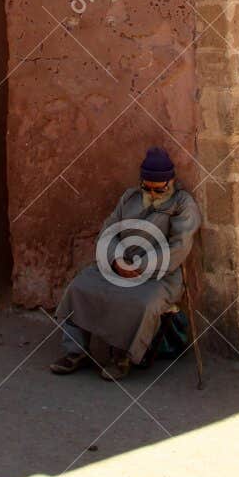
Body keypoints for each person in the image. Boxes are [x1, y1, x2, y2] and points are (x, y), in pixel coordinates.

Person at [51, 146, 201, 381]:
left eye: (158, 187)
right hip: (120, 266)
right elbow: (108, 232)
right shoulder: (129, 198)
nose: (152, 192)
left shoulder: (183, 204)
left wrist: (141, 266)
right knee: (80, 287)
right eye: (147, 186)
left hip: (159, 275)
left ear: (170, 180)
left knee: (139, 302)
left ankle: (122, 357)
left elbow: (179, 247)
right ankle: (75, 351)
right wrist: (117, 260)